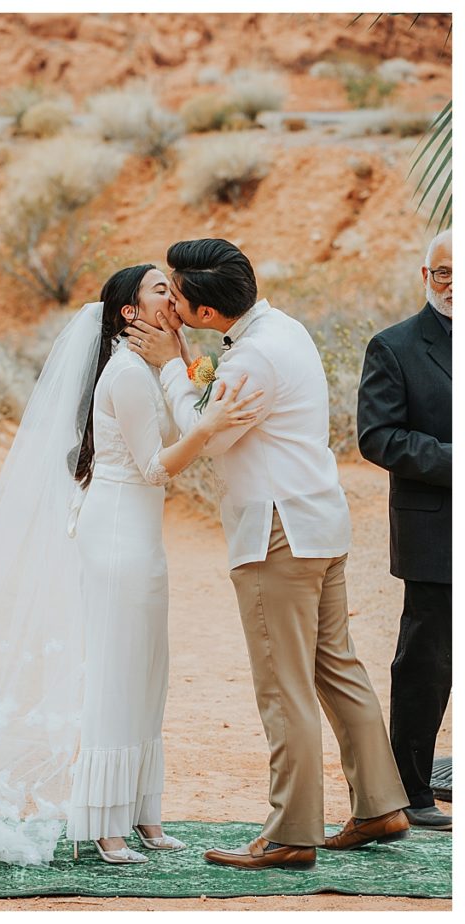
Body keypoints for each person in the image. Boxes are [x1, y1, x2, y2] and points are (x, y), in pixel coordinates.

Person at [0, 266, 259, 870]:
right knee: (116, 674)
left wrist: (188, 368)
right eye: (160, 289)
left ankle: (144, 814)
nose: (175, 296)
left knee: (147, 671)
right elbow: (157, 466)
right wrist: (210, 425)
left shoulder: (155, 366)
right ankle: (105, 827)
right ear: (129, 313)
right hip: (116, 534)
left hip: (138, 535)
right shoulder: (128, 374)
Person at [130, 238, 410, 870]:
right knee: (337, 668)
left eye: (175, 294)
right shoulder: (285, 328)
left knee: (284, 688)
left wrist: (173, 365)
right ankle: (379, 806)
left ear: (205, 314)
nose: (168, 301)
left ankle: (290, 835)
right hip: (320, 522)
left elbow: (205, 437)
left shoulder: (247, 362)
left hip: (275, 534)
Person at [357, 229, 453, 832]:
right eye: (443, 273)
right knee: (426, 662)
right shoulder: (393, 347)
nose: (453, 284)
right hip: (438, 532)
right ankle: (413, 790)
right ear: (425, 277)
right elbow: (378, 437)